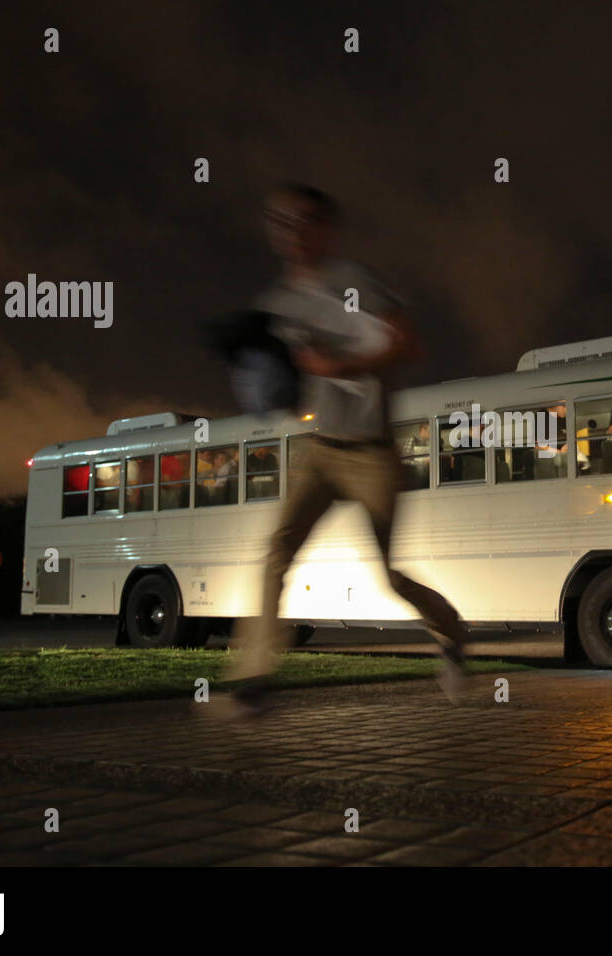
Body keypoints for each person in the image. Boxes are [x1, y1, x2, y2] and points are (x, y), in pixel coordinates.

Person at [212, 182, 470, 717]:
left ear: (326, 229)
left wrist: (340, 364)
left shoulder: (352, 282)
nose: (292, 231)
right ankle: (254, 677)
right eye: (281, 221)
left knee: (389, 576)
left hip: (371, 453)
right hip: (322, 449)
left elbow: (408, 344)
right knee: (276, 550)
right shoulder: (274, 305)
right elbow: (275, 386)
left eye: (305, 220)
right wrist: (261, 374)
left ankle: (452, 631)